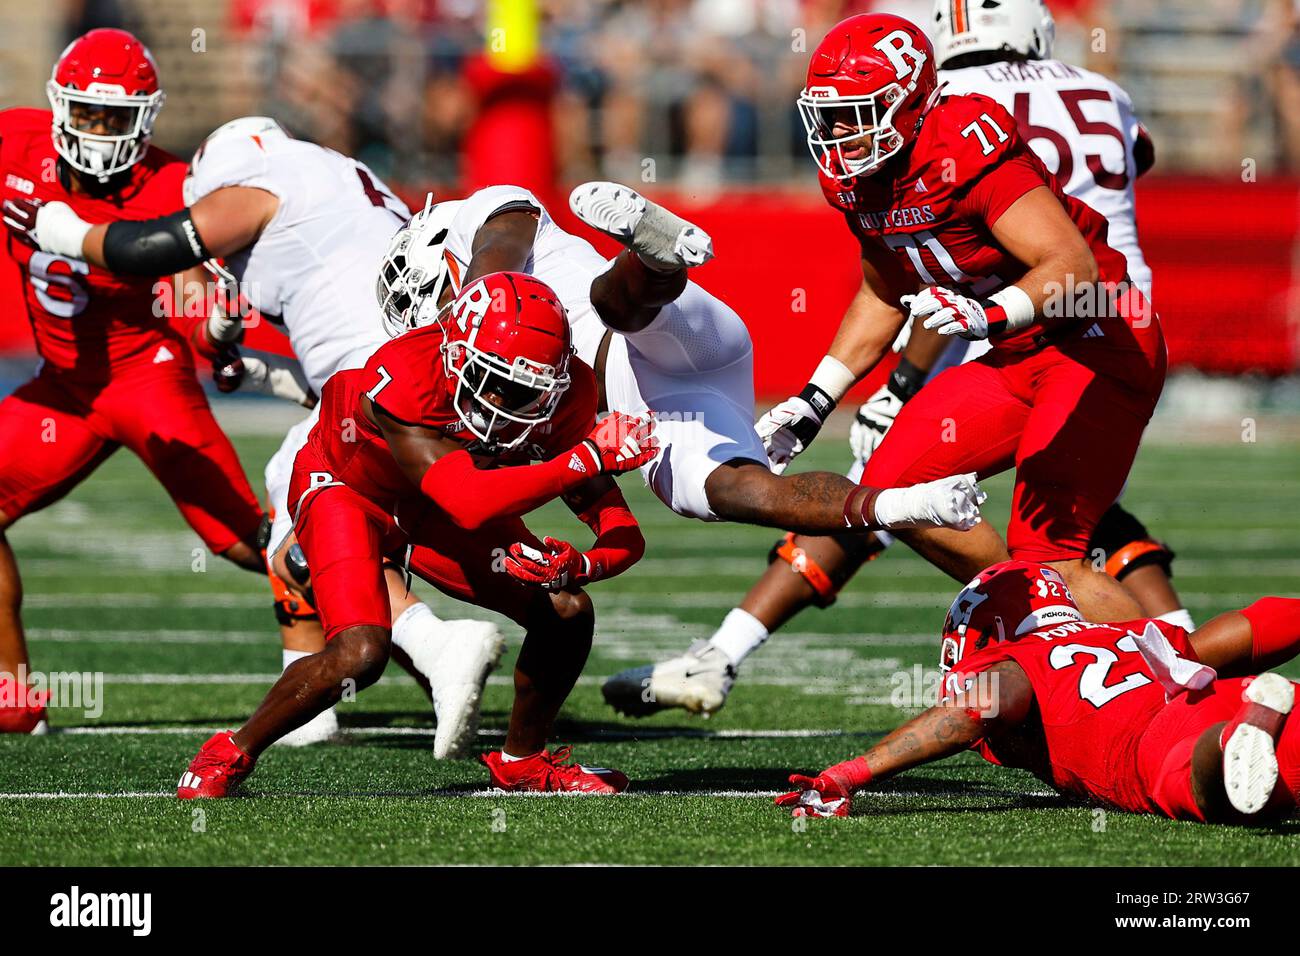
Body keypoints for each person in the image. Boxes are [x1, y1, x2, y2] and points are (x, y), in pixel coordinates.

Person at [604, 6, 1169, 718]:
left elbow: (1073, 263)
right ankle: (1051, 622)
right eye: (829, 116)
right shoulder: (861, 176)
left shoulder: (961, 133)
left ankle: (1162, 684)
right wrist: (817, 398)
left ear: (907, 100)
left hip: (1096, 339)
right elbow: (886, 286)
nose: (837, 134)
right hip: (1018, 345)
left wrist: (984, 316)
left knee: (1048, 550)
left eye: (856, 113)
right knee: (889, 489)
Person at [8, 115, 505, 755]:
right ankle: (317, 696)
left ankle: (434, 644)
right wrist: (251, 358)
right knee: (314, 510)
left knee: (303, 502)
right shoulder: (338, 175)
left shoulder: (250, 185)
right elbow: (318, 310)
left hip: (369, 379)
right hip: (412, 371)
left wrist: (59, 229)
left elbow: (148, 251)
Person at [177, 272, 658, 796]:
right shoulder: (408, 373)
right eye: (493, 376)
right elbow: (469, 503)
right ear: (455, 350)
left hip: (433, 502)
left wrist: (579, 565)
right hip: (349, 488)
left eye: (525, 388)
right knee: (360, 655)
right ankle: (227, 753)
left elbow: (623, 533)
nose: (504, 398)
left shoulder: (566, 398)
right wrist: (585, 457)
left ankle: (523, 760)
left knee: (566, 610)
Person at [378, 182, 988, 540]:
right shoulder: (490, 371)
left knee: (609, 308)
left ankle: (655, 259)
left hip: (644, 333)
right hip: (670, 389)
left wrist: (479, 313)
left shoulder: (482, 222)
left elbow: (501, 251)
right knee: (736, 493)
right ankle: (910, 506)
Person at [0, 30, 266, 733]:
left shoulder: (169, 185)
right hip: (61, 385)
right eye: (85, 113)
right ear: (59, 108)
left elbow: (192, 295)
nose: (97, 131)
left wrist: (217, 330)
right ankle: (14, 707)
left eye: (113, 118)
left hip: (144, 378)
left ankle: (404, 629)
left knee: (246, 543)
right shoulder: (15, 145)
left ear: (144, 119)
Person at [778, 560, 1300, 824]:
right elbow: (1241, 631)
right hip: (1220, 694)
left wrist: (849, 774)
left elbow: (983, 704)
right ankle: (1256, 709)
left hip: (1157, 745)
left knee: (1213, 790)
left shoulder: (1016, 661)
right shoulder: (1121, 632)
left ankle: (1238, 736)